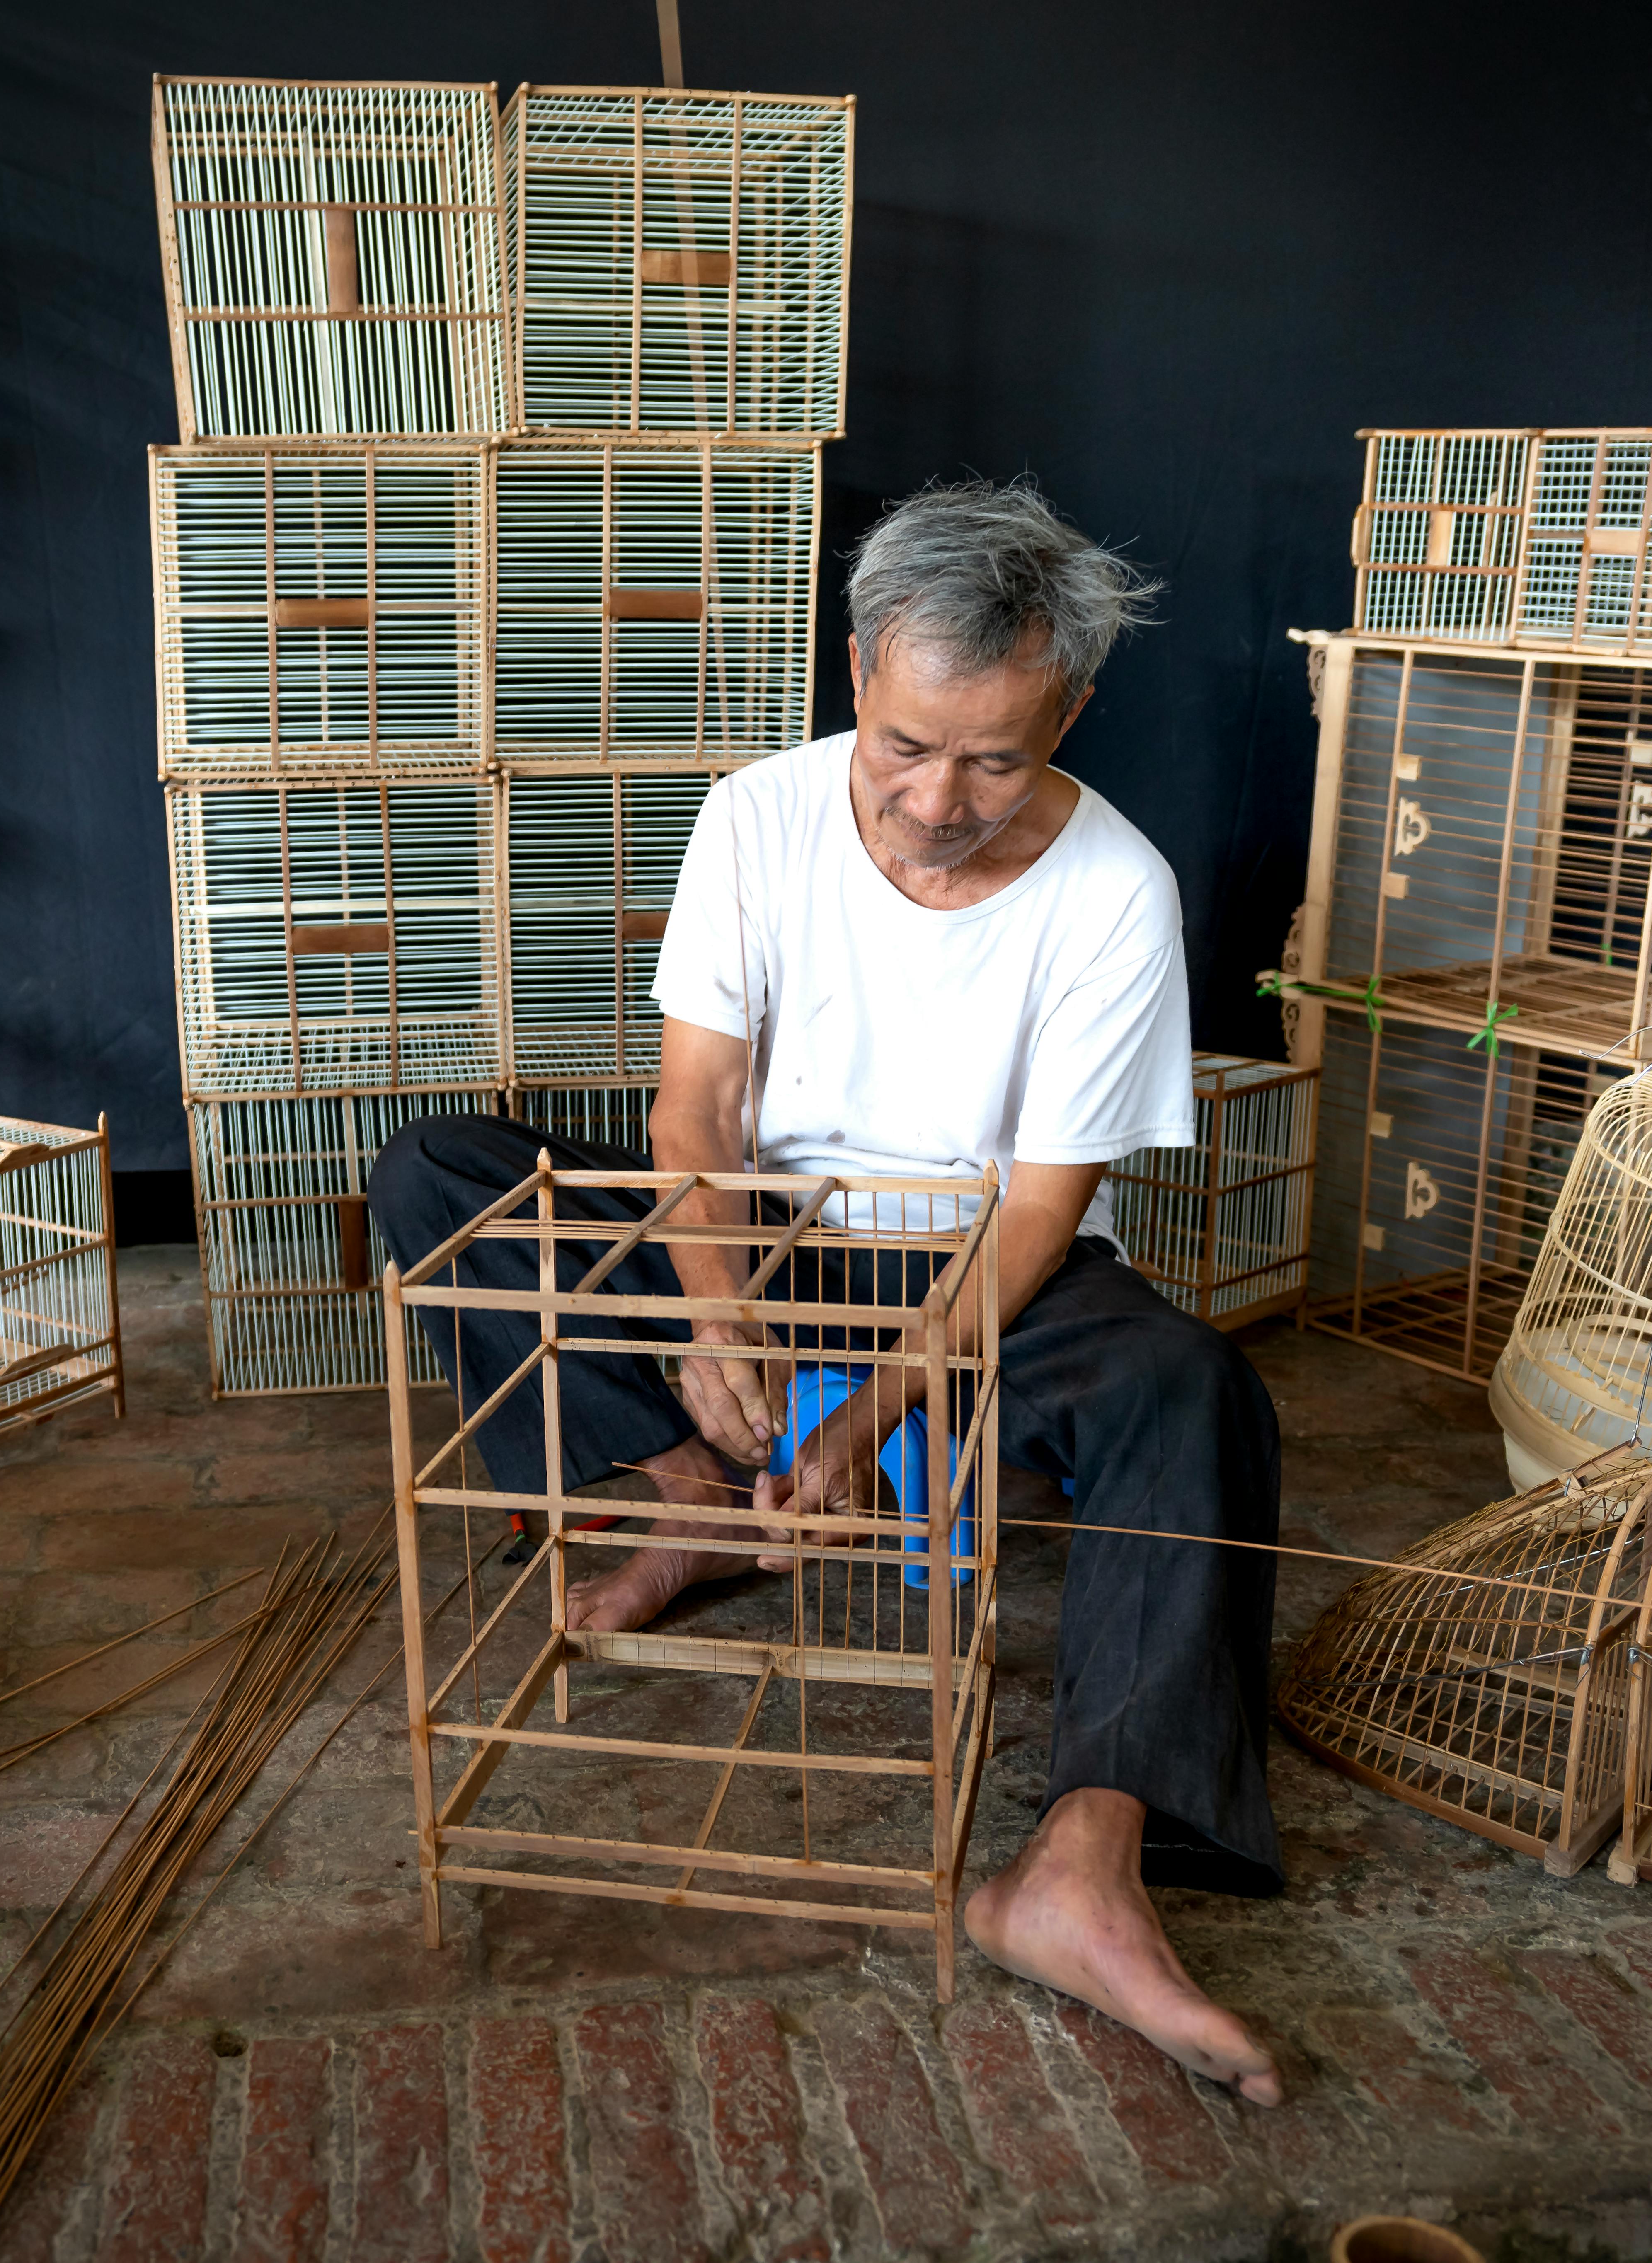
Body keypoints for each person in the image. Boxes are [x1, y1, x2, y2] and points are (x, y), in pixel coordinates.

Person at [368, 479, 1284, 2105]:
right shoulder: (758, 814)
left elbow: (1037, 1213)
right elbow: (697, 1110)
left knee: (1188, 1386)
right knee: (444, 1174)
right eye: (905, 745)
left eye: (993, 761)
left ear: (1068, 712)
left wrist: (873, 1409)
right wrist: (716, 1313)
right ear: (856, 670)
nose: (936, 801)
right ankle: (705, 1494)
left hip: (976, 1261)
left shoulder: (1116, 890)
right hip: (769, 1229)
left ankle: (1080, 1868)